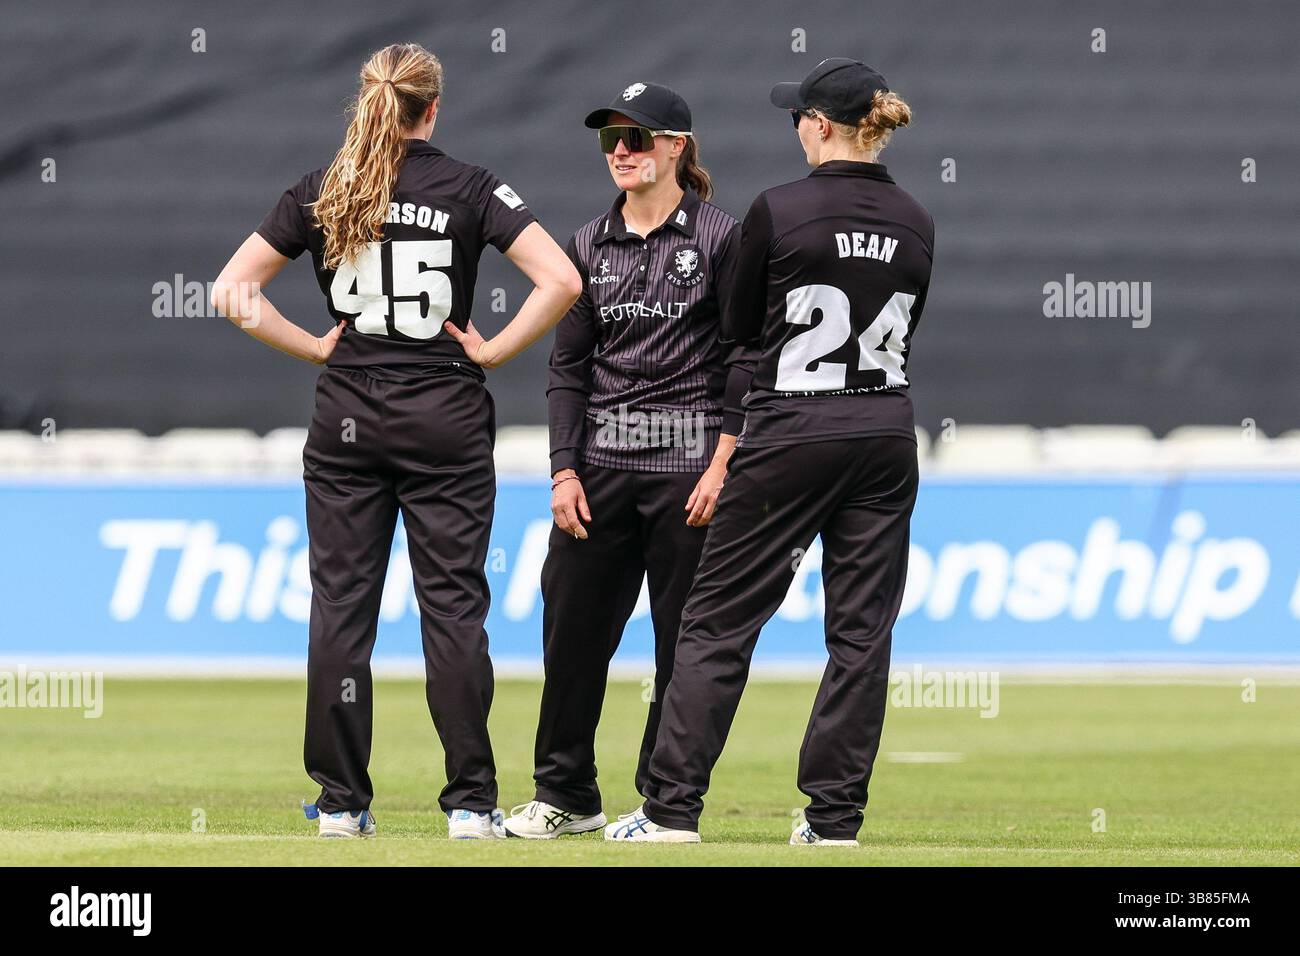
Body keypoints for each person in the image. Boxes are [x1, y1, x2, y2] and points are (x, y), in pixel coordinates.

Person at [209, 42, 581, 840]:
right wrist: (492, 349)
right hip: (444, 416)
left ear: (370, 101)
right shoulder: (471, 187)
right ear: (433, 108)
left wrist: (312, 346)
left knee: (341, 610)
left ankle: (342, 803)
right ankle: (472, 804)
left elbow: (231, 291)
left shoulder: (325, 187)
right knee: (452, 610)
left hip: (345, 421)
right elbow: (563, 279)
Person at [605, 59, 933, 845]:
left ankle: (671, 810)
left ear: (821, 125)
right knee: (860, 636)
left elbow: (739, 327)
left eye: (799, 117)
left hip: (792, 429)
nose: (794, 126)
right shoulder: (917, 217)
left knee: (716, 623)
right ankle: (834, 821)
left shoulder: (779, 209)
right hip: (885, 430)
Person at [501, 82, 753, 839]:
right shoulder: (583, 245)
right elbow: (567, 370)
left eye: (637, 138)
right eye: (610, 138)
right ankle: (567, 796)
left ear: (677, 146)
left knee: (683, 648)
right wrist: (563, 470)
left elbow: (747, 356)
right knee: (572, 640)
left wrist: (722, 463)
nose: (621, 151)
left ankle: (662, 801)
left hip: (689, 474)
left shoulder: (721, 237)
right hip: (599, 472)